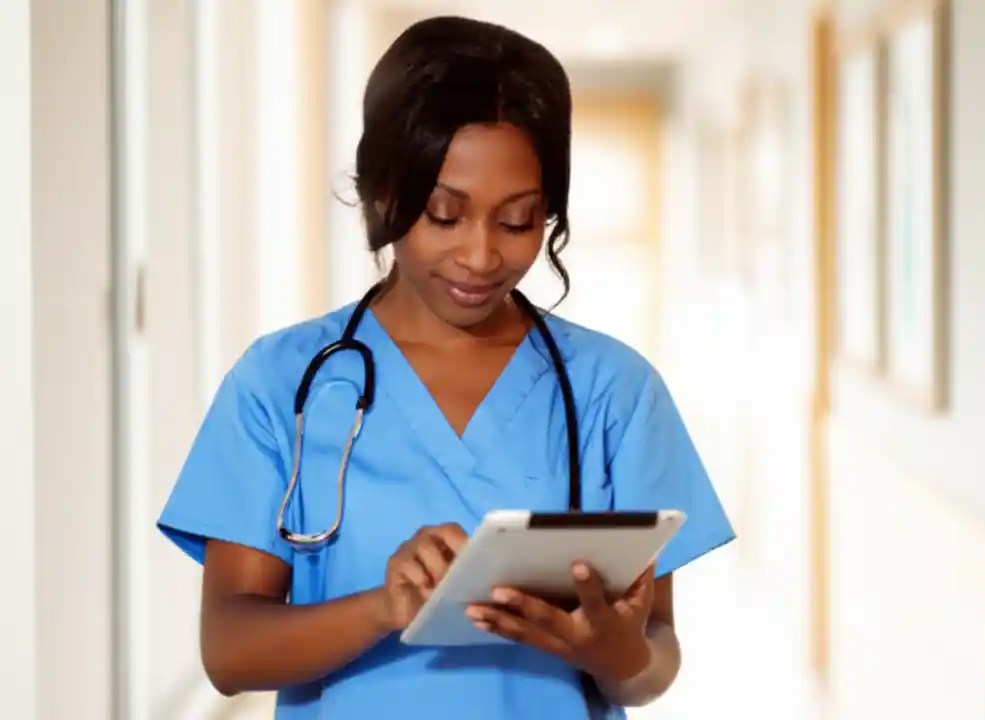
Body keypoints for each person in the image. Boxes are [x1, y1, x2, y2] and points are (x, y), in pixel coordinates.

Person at [155, 14, 735, 720]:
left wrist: (616, 656)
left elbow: (652, 658)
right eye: (444, 214)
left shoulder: (613, 391)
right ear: (382, 193)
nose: (481, 256)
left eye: (518, 220)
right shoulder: (281, 384)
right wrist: (381, 607)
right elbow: (228, 652)